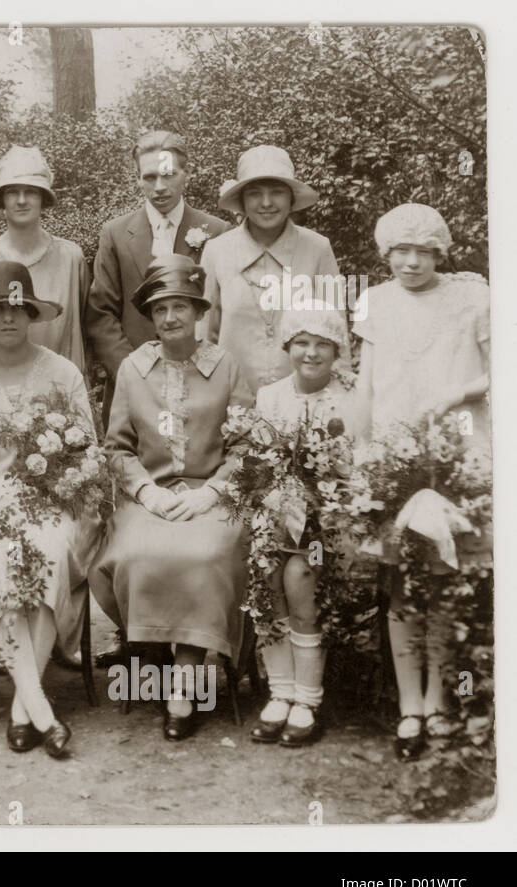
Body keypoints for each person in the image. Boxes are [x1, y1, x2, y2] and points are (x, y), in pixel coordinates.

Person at [0, 262, 103, 756]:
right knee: (0, 564)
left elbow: (88, 451)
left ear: (31, 313)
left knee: (50, 549)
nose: (8, 319)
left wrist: (56, 484)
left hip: (55, 499)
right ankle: (41, 710)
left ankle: (22, 707)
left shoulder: (62, 372)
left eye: (17, 308)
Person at [89, 254, 252, 741]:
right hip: (147, 499)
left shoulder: (226, 367)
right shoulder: (134, 369)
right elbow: (115, 449)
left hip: (214, 498)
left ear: (199, 312)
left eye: (181, 306)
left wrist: (214, 493)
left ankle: (185, 680)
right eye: (160, 309)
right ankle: (154, 664)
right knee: (138, 553)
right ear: (151, 317)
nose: (171, 318)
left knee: (204, 553)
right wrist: (147, 493)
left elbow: (248, 447)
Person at [351, 203, 491, 761]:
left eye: (422, 251)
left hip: (459, 453)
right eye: (399, 252)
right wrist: (364, 452)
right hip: (395, 454)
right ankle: (410, 706)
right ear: (386, 255)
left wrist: (458, 394)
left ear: (440, 252)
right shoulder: (376, 302)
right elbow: (365, 382)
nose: (410, 262)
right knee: (403, 579)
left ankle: (441, 700)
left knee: (444, 574)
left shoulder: (474, 299)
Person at [250, 304, 358, 747]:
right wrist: (274, 497)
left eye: (322, 345)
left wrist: (322, 498)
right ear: (287, 347)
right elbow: (260, 465)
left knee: (298, 574)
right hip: (280, 516)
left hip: (334, 518)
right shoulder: (270, 396)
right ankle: (280, 693)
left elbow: (357, 469)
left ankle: (308, 699)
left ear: (336, 351)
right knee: (266, 569)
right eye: (301, 343)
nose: (311, 354)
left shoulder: (350, 398)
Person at [85, 130, 230, 420]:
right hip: (133, 388)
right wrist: (135, 372)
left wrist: (203, 371)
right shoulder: (115, 234)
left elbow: (222, 313)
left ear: (185, 174)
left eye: (168, 175)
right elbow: (101, 314)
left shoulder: (217, 232)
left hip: (201, 387)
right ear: (138, 179)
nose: (160, 187)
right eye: (149, 177)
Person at [202, 145, 345, 394]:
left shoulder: (318, 248)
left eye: (277, 192)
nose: (266, 203)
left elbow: (336, 331)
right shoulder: (216, 251)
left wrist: (338, 403)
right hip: (232, 403)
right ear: (242, 201)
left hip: (305, 404)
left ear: (291, 198)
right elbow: (203, 337)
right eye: (255, 193)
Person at [0, 145, 89, 376]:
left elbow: (86, 325)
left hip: (60, 390)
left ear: (43, 198)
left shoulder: (71, 257)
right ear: (2, 200)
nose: (22, 200)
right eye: (12, 192)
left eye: (31, 191)